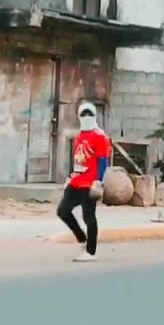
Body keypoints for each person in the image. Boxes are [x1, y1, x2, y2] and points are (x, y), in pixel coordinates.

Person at [58, 101, 111, 262]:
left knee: (89, 216)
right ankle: (82, 238)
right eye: (83, 114)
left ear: (94, 116)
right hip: (77, 181)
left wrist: (99, 181)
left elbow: (103, 161)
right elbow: (78, 160)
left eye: (89, 114)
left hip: (90, 184)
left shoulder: (100, 136)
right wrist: (71, 176)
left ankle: (91, 251)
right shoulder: (81, 135)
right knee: (63, 211)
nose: (86, 117)